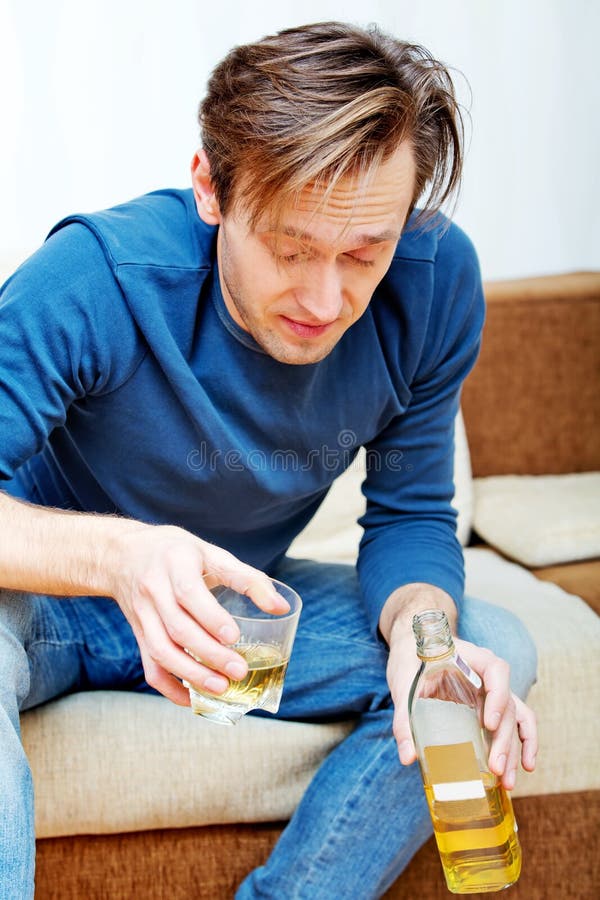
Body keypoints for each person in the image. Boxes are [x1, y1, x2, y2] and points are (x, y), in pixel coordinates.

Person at [0, 21, 538, 900]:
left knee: (482, 652)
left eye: (366, 253)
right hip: (46, 605)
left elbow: (409, 517)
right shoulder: (100, 277)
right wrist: (123, 558)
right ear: (211, 190)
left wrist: (423, 639)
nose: (328, 302)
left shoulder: (434, 284)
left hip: (228, 627)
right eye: (291, 249)